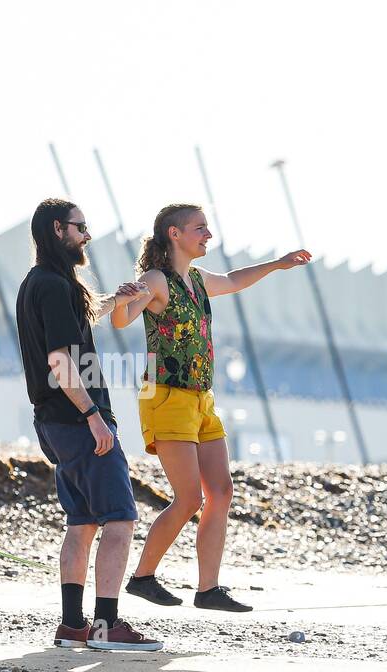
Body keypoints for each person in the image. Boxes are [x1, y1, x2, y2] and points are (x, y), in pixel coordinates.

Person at [111, 203, 311, 612]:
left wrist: (278, 264)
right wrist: (120, 302)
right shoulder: (156, 279)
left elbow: (235, 280)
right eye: (199, 228)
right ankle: (142, 577)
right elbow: (122, 321)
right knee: (188, 499)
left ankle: (208, 589)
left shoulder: (198, 280)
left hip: (201, 396)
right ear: (174, 234)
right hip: (165, 395)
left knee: (220, 491)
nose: (208, 235)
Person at [16, 197, 162, 651]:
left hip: (54, 423)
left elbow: (75, 328)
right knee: (119, 519)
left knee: (81, 524)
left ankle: (72, 625)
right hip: (79, 421)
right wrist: (95, 417)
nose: (87, 235)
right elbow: (61, 361)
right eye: (81, 227)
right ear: (58, 229)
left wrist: (115, 301)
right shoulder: (55, 286)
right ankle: (106, 626)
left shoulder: (40, 283)